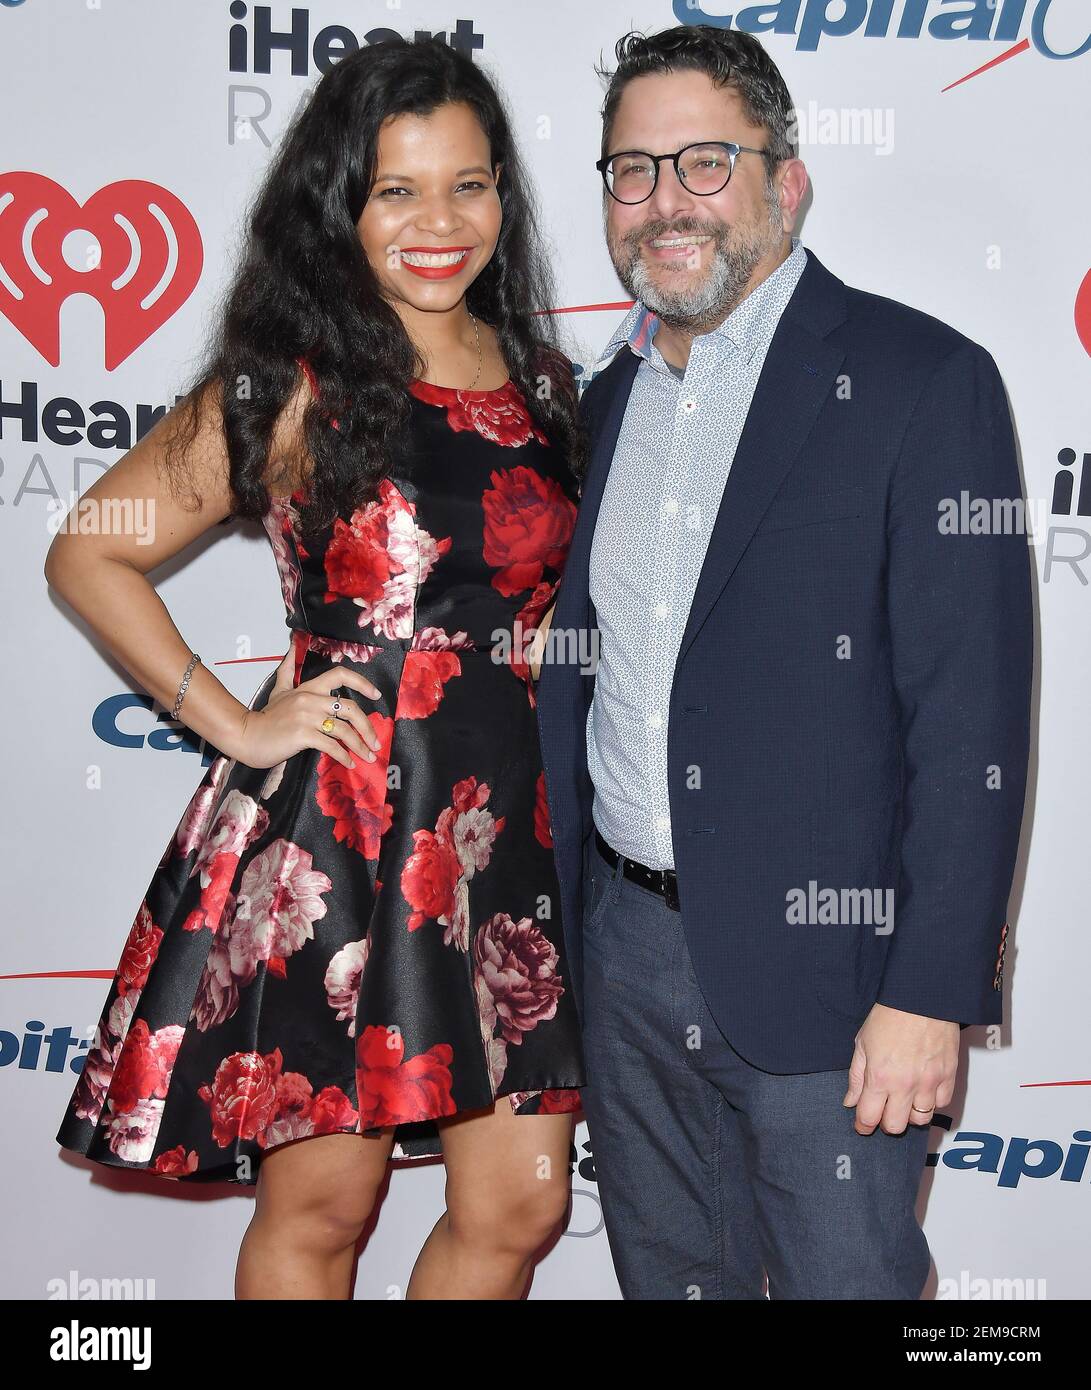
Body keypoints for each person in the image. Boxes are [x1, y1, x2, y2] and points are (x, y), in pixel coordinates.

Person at [48, 36, 587, 1301]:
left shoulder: (549, 387)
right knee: (327, 1202)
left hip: (519, 837)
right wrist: (231, 720)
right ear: (338, 203)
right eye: (397, 190)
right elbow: (90, 555)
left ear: (504, 195)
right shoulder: (290, 383)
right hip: (346, 829)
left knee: (518, 1205)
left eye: (469, 183)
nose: (439, 222)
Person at [534, 25, 1033, 1300]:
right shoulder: (602, 404)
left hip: (835, 982)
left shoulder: (924, 382)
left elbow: (969, 722)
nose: (663, 203)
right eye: (631, 171)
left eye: (704, 162)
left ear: (786, 181)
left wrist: (930, 991)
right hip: (626, 961)